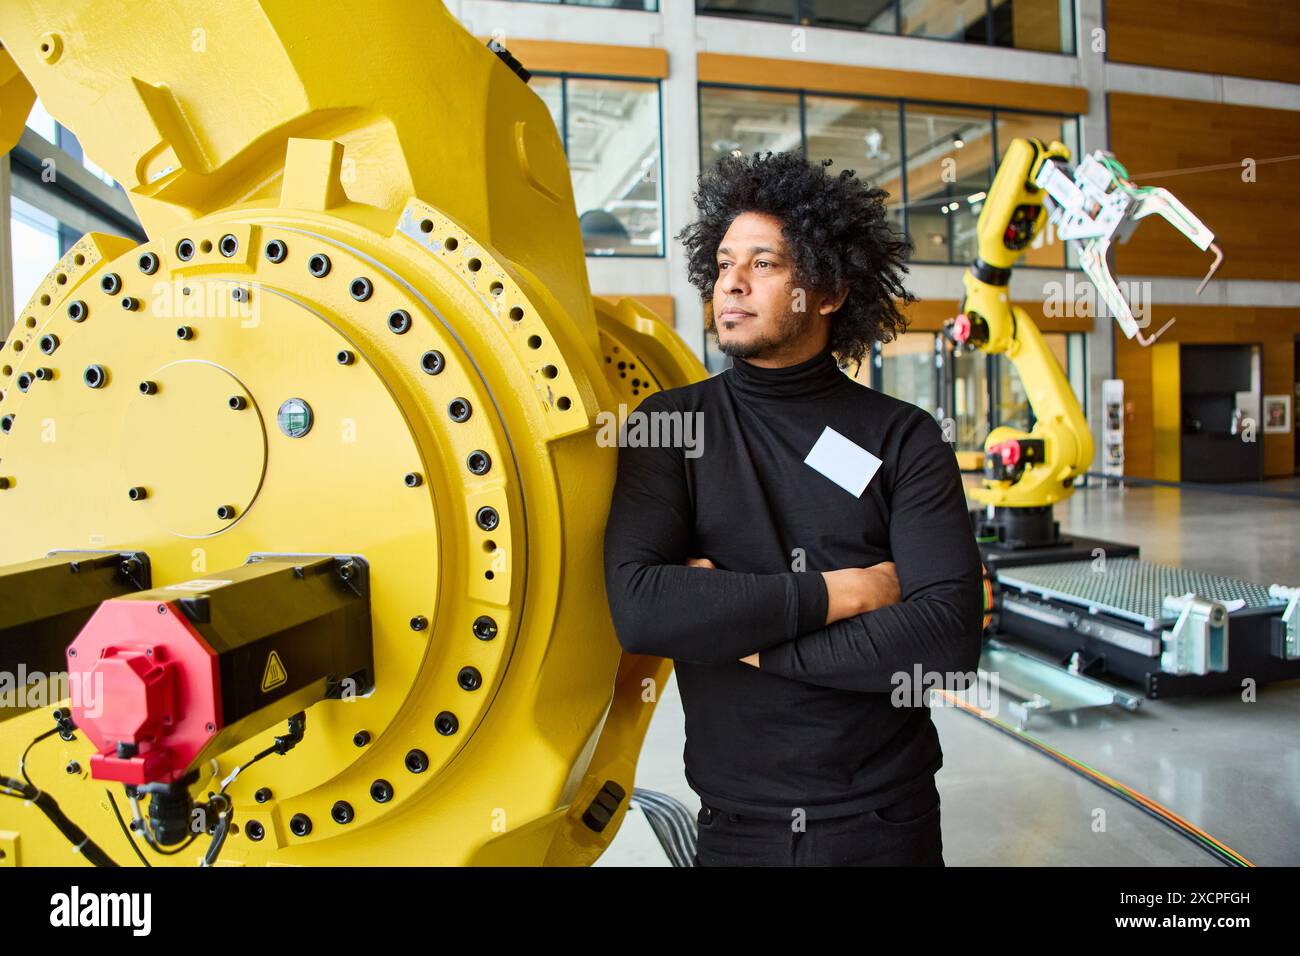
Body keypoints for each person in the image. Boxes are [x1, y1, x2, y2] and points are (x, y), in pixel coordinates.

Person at [602, 149, 984, 866]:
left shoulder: (902, 436)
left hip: (884, 820)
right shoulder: (670, 427)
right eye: (722, 264)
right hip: (735, 823)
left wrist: (742, 637)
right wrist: (843, 592)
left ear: (829, 290)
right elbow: (644, 609)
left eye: (765, 264)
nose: (732, 284)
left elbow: (944, 646)